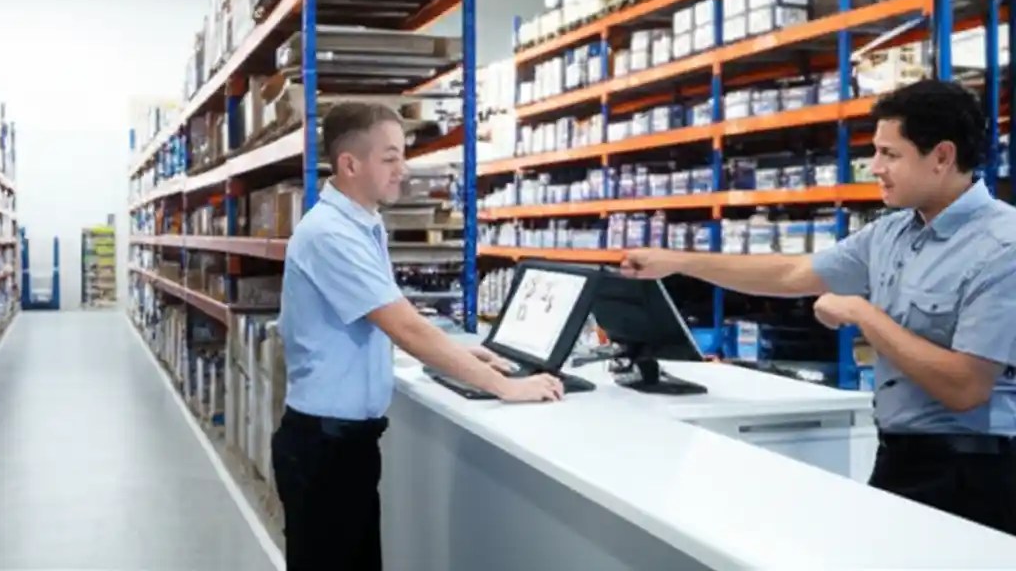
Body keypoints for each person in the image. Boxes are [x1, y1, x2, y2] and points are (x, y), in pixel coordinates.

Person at [623, 78, 1016, 535]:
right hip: (901, 457)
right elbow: (792, 274)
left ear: (942, 157)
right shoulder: (891, 233)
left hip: (974, 476)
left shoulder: (1001, 247)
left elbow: (966, 387)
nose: (874, 167)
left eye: (890, 154)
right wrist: (677, 262)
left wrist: (864, 314)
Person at [272, 102, 565, 570]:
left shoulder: (363, 225)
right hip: (324, 449)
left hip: (345, 444)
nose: (402, 170)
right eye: (390, 158)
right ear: (350, 164)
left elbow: (381, 324)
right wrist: (507, 387)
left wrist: (464, 353)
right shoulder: (330, 234)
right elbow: (404, 326)